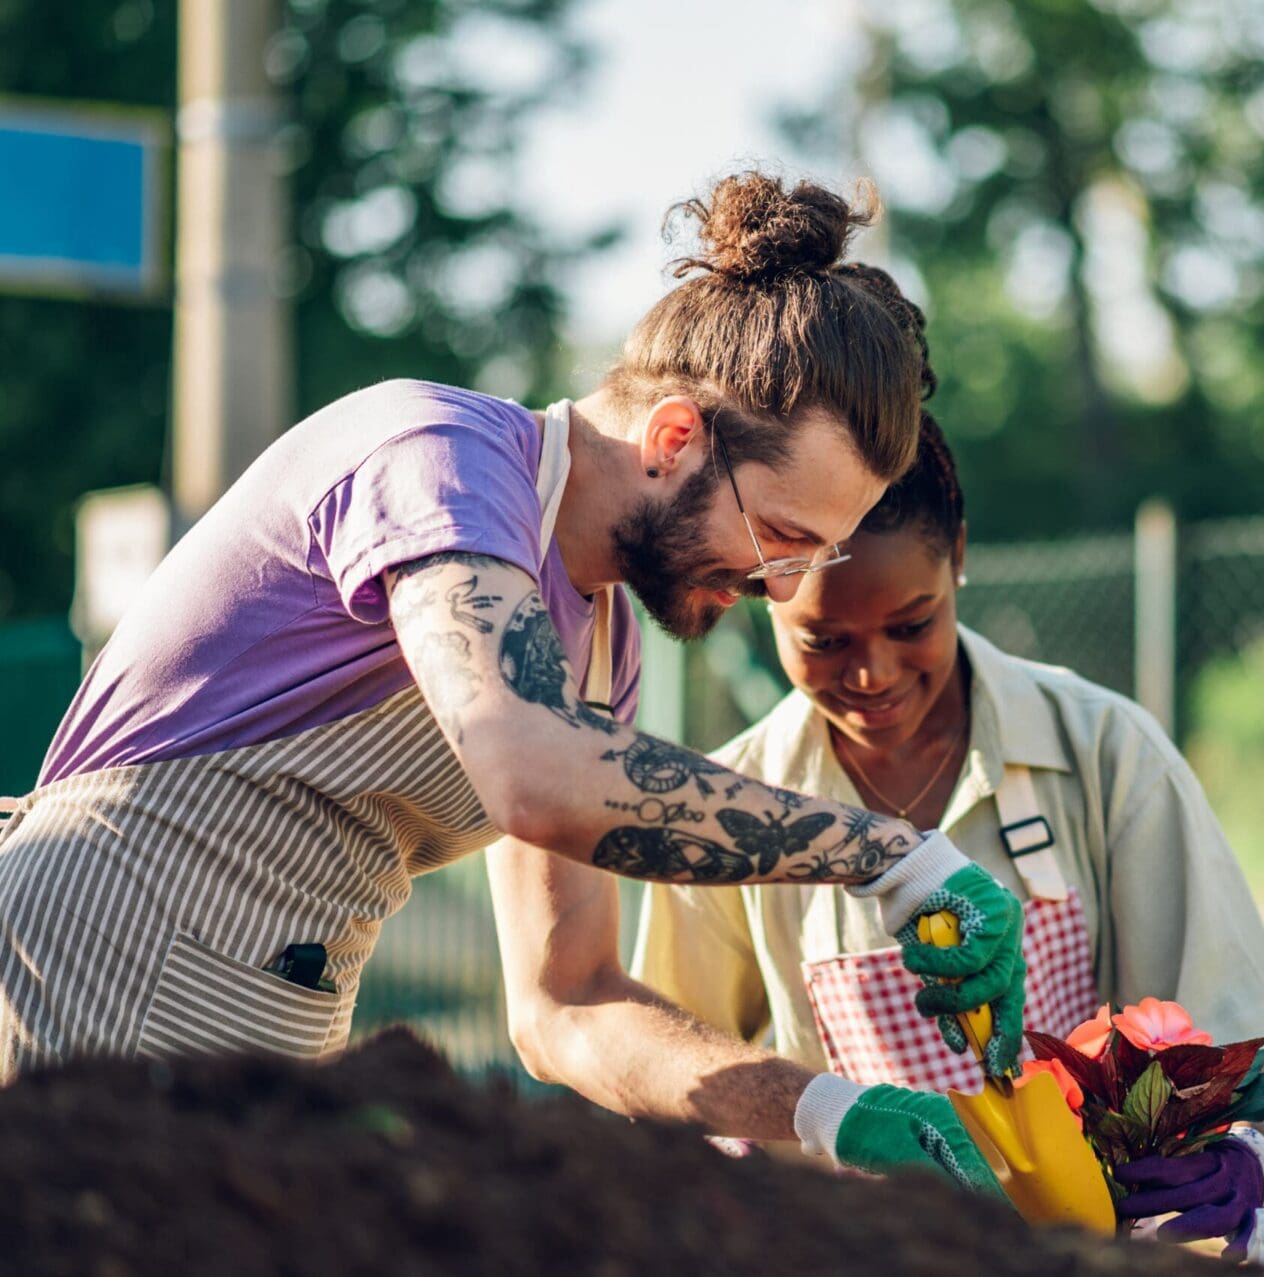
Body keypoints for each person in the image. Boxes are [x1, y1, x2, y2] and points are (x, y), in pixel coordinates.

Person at [0, 173, 1023, 1195]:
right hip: (100, 965)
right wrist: (890, 856)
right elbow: (529, 764)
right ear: (674, 440)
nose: (783, 589)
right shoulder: (440, 457)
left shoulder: (599, 650)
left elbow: (566, 1004)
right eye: (783, 538)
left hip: (271, 1049)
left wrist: (827, 1110)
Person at [499, 413, 1264, 1257]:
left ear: (957, 555)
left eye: (912, 624)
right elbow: (676, 1073)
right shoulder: (732, 806)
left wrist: (1237, 1151)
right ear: (764, 592)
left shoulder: (1103, 750)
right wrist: (778, 1136)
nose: (873, 674)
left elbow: (1232, 1022)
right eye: (824, 639)